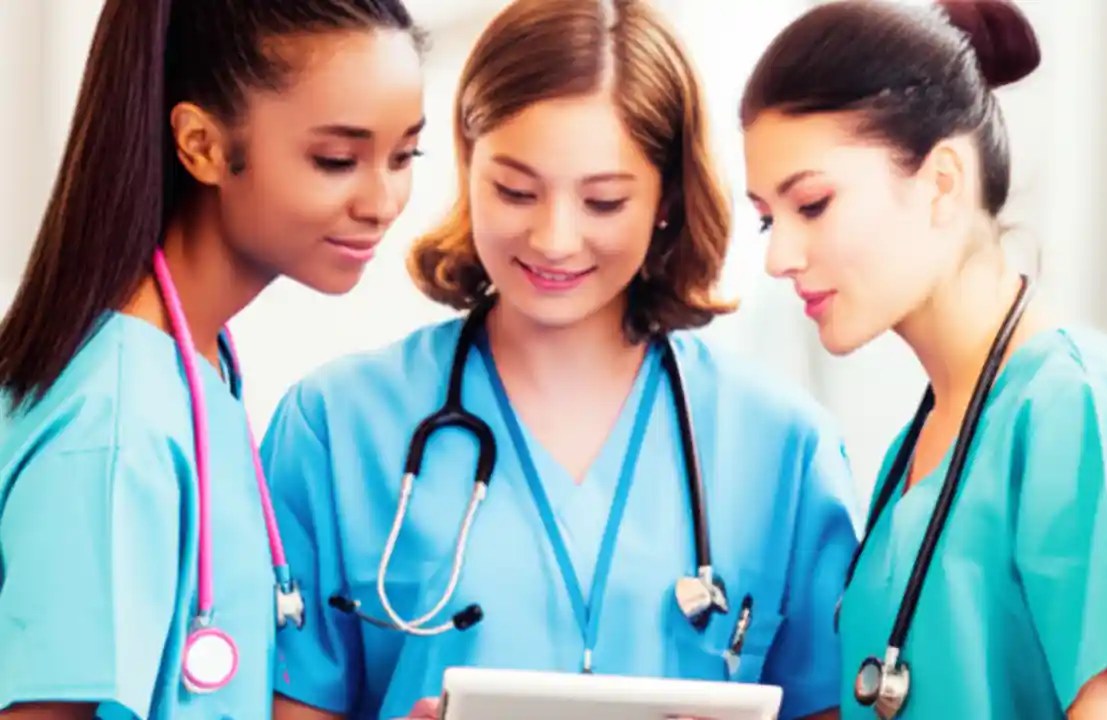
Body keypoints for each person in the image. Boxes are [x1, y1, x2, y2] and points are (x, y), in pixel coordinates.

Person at [262, 1, 859, 719]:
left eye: (604, 201)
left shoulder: (782, 447)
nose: (553, 239)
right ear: (467, 161)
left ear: (666, 199)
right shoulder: (336, 427)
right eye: (515, 190)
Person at [740, 1, 1107, 719]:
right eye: (767, 218)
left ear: (943, 181)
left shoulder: (1075, 408)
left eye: (812, 205)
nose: (778, 257)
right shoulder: (917, 454)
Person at [0, 1, 426, 718]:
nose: (383, 201)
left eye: (405, 155)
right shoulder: (116, 427)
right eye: (336, 160)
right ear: (200, 145)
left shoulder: (197, 368)